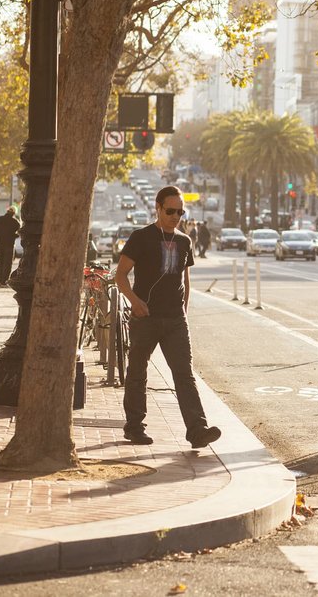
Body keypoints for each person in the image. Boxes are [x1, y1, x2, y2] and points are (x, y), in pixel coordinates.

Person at [114, 186, 221, 448]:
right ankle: (134, 427)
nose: (176, 216)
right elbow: (120, 276)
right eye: (170, 211)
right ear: (158, 208)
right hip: (146, 317)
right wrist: (135, 302)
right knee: (138, 372)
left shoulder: (185, 241)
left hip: (175, 320)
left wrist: (184, 310)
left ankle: (197, 430)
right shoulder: (140, 237)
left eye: (180, 212)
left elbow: (185, 278)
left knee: (184, 374)